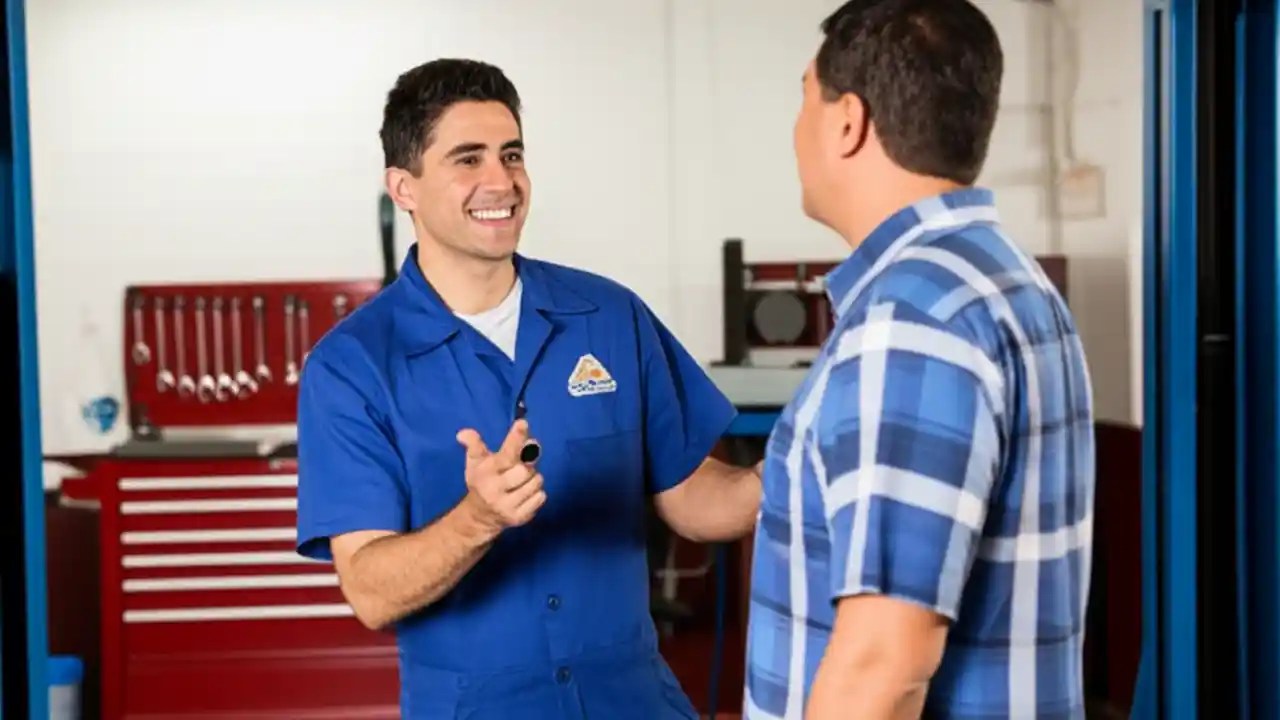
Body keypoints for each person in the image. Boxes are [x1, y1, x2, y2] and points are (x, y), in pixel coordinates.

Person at [294, 58, 761, 719]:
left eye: (511, 154)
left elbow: (690, 497)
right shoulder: (351, 367)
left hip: (635, 702)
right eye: (467, 158)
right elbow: (371, 589)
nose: (501, 181)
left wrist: (780, 484)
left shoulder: (609, 316)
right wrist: (476, 520)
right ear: (404, 188)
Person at [743, 1, 1096, 719]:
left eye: (804, 98)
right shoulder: (1009, 281)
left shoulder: (910, 318)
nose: (796, 130)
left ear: (849, 121)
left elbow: (885, 666)